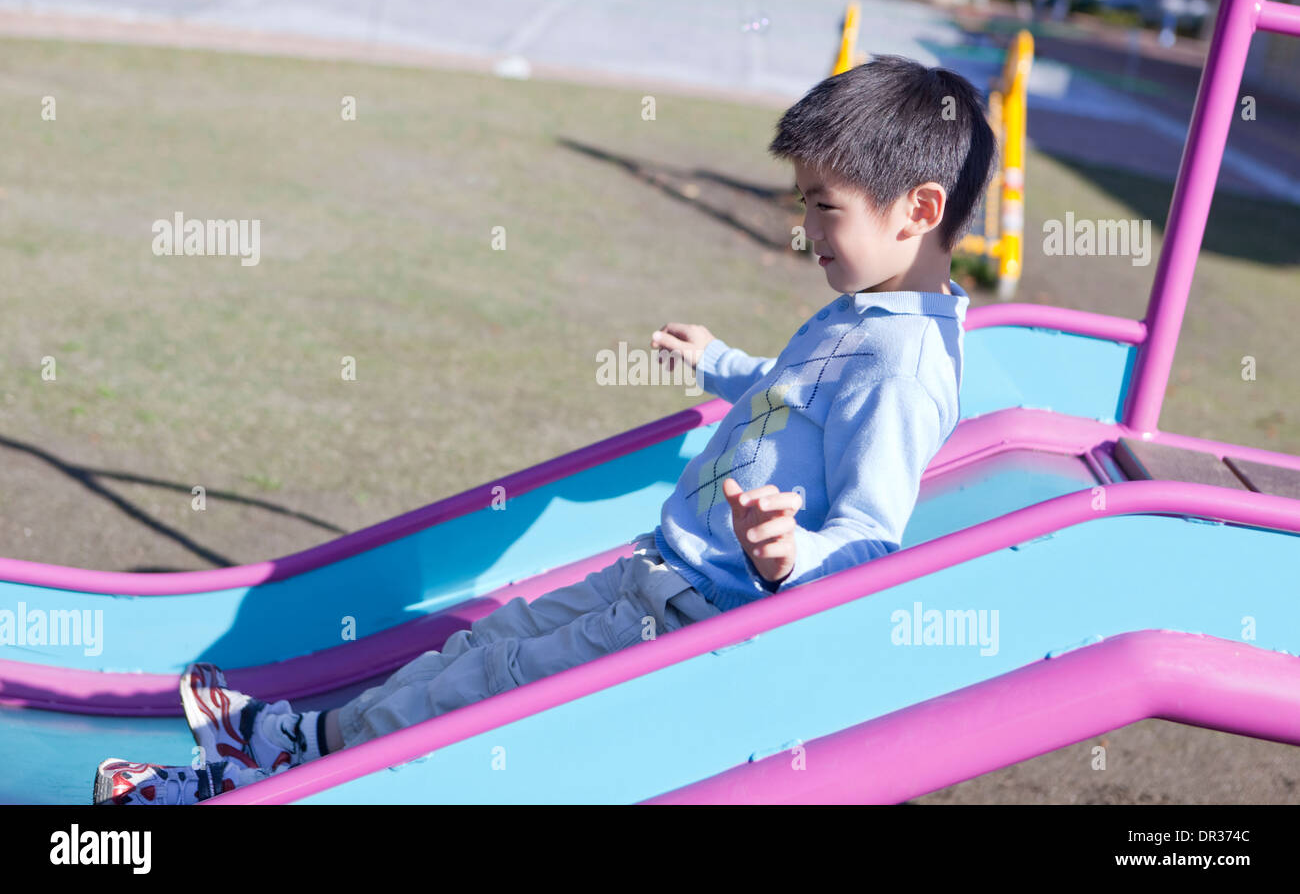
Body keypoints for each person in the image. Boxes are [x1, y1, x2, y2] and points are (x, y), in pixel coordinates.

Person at [93, 54, 996, 803]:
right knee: (483, 643)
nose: (806, 230)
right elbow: (792, 396)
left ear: (917, 209)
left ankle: (274, 782)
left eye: (822, 205)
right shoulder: (865, 313)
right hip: (658, 571)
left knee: (485, 693)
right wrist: (723, 362)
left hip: (694, 617)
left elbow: (873, 542)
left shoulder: (907, 367)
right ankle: (307, 738)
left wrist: (790, 554)